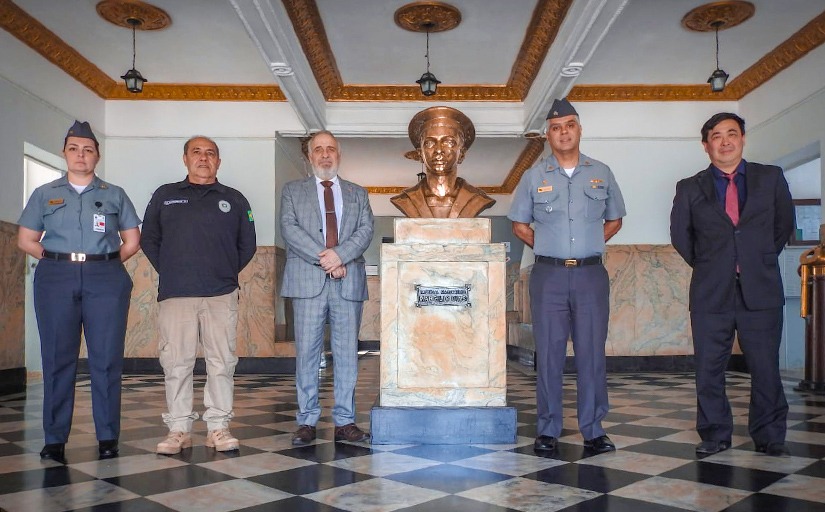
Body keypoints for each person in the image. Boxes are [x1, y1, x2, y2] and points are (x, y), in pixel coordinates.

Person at [670, 113, 794, 457]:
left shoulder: (770, 178)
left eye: (732, 134)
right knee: (709, 367)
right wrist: (713, 264)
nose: (725, 141)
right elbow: (681, 236)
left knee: (765, 367)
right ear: (705, 145)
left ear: (742, 139)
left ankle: (769, 435)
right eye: (716, 136)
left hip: (761, 288)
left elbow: (784, 225)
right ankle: (714, 434)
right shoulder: (689, 187)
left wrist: (755, 258)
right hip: (711, 291)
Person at [17, 121, 141, 462]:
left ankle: (107, 437)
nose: (81, 155)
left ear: (97, 156)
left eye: (88, 150)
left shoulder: (114, 194)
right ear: (64, 153)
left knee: (106, 358)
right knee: (57, 358)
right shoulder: (44, 194)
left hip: (106, 277)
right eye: (74, 149)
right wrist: (57, 259)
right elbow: (26, 239)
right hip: (56, 277)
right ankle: (55, 438)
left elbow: (132, 240)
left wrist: (104, 262)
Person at [509, 98, 626, 454]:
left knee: (592, 354)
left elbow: (615, 219)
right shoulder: (534, 176)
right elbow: (519, 225)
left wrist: (589, 243)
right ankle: (548, 428)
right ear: (548, 135)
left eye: (570, 125)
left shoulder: (601, 172)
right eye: (556, 128)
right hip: (549, 276)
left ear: (579, 130)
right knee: (549, 353)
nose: (563, 133)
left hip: (591, 275)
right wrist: (548, 245)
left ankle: (594, 429)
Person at [141, 136, 256, 454]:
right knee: (177, 363)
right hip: (176, 295)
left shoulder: (234, 199)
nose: (203, 158)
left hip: (221, 294)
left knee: (222, 363)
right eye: (197, 152)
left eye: (210, 153)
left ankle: (218, 427)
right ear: (185, 159)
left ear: (218, 161)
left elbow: (247, 245)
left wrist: (224, 271)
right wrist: (172, 269)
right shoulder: (165, 195)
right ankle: (178, 429)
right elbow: (149, 238)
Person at [281, 130, 374, 445]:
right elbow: (290, 228)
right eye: (318, 149)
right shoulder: (293, 191)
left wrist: (341, 255)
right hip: (308, 282)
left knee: (347, 354)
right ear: (309, 156)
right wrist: (328, 259)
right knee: (307, 353)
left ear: (339, 154)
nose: (324, 154)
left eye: (330, 149)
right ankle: (306, 421)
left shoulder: (358, 193)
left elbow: (365, 230)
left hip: (348, 282)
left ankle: (345, 421)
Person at [391, 106, 495, 218]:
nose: (439, 150)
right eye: (429, 143)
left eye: (448, 142)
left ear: (462, 153)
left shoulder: (477, 199)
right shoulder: (406, 200)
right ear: (420, 154)